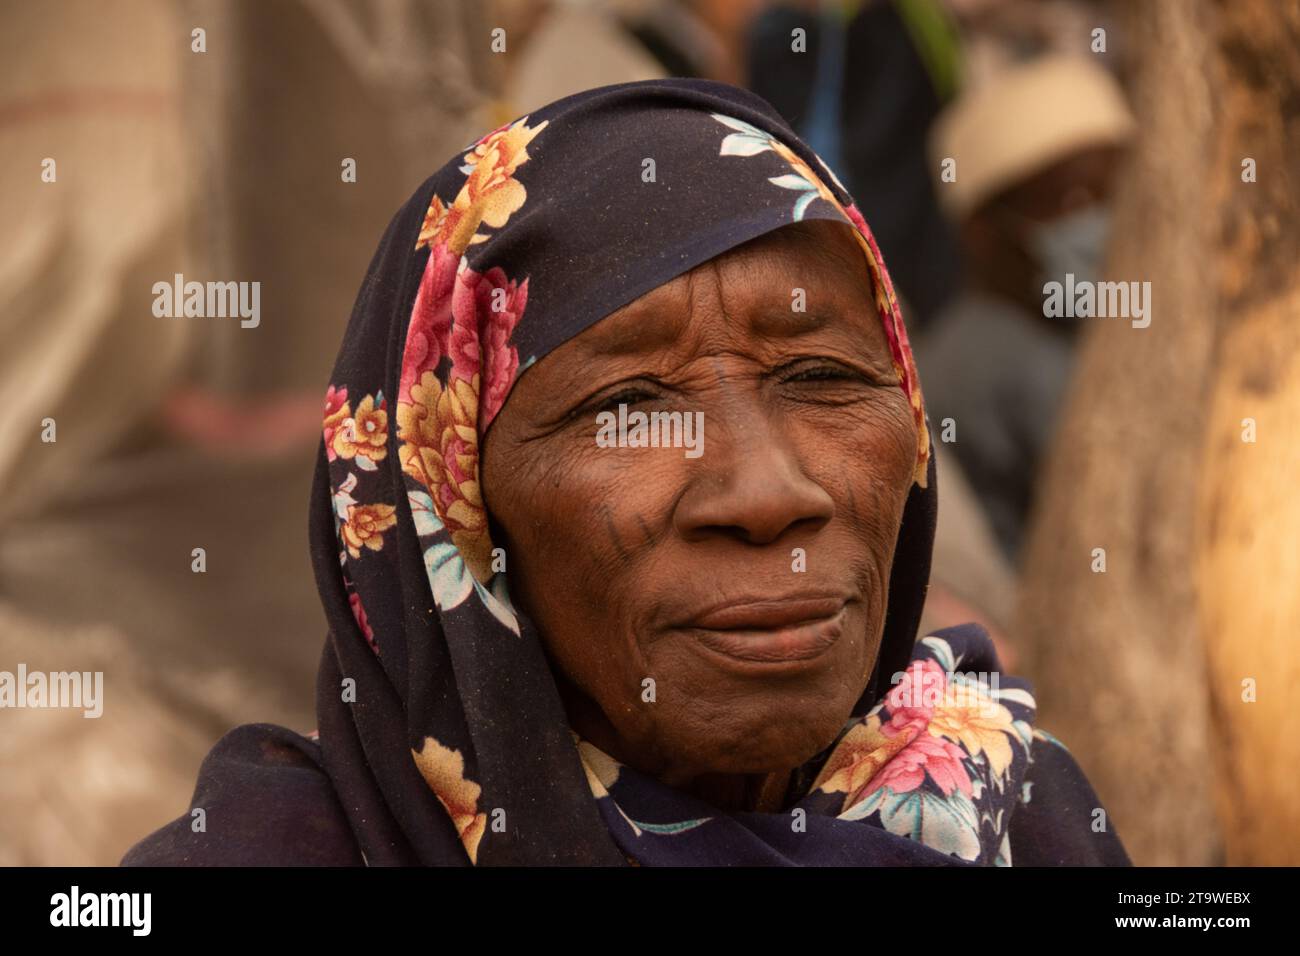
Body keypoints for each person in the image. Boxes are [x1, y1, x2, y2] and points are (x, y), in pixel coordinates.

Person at [121, 78, 1130, 866]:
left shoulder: (1021, 813)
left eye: (821, 374)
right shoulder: (280, 849)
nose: (770, 493)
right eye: (626, 406)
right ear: (450, 506)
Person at [916, 54, 1135, 562]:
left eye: (1114, 194)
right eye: (1069, 201)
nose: (1100, 222)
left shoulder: (1098, 324)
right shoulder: (980, 365)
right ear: (982, 232)